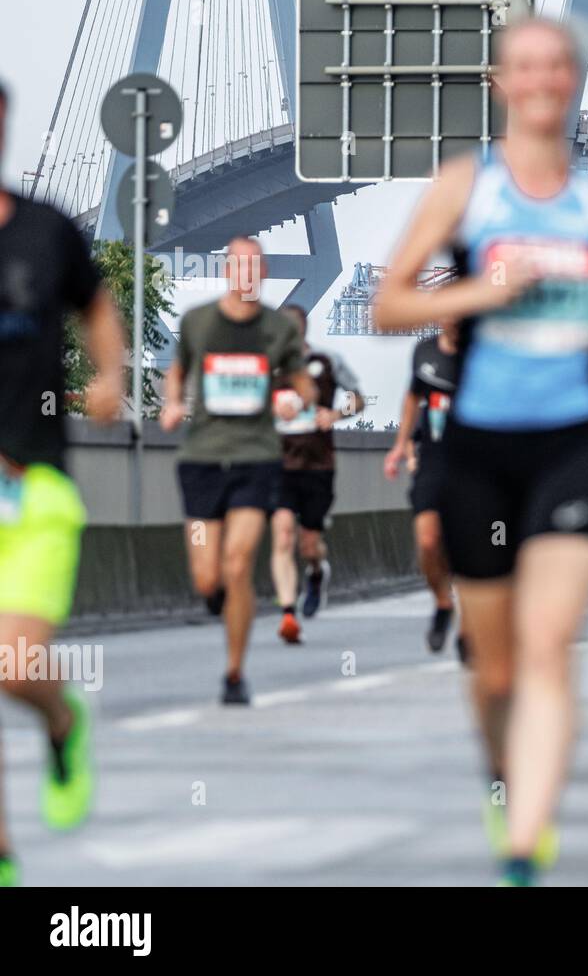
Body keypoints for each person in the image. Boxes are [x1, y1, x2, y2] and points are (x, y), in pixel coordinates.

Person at [372, 17, 588, 887]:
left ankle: (527, 839)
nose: (541, 79)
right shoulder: (466, 186)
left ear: (572, 81)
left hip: (571, 443)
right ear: (501, 82)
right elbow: (389, 305)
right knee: (492, 672)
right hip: (479, 449)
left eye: (556, 65)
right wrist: (481, 290)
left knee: (544, 646)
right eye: (524, 66)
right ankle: (504, 779)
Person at [0, 80, 126, 887]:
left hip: (33, 486)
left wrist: (113, 374)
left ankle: (60, 717)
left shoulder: (47, 232)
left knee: (14, 665)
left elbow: (97, 305)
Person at [162, 238, 315, 705]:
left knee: (238, 562)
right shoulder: (198, 322)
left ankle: (234, 673)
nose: (245, 275)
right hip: (203, 462)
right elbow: (177, 368)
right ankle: (213, 596)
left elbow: (303, 381)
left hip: (256, 460)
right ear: (226, 271)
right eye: (237, 266)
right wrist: (171, 402)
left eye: (253, 267)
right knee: (208, 576)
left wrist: (297, 399)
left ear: (263, 273)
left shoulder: (278, 330)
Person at [270, 305, 364, 643]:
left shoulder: (327, 362)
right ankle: (287, 613)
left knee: (309, 544)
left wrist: (336, 414)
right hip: (279, 464)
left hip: (318, 465)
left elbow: (359, 399)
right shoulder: (269, 366)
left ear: (304, 330)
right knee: (282, 534)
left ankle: (315, 573)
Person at [384, 328, 460, 656]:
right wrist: (400, 445)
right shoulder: (425, 352)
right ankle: (444, 604)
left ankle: (471, 631)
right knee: (428, 540)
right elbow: (414, 396)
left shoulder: (487, 351)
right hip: (433, 460)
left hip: (479, 464)